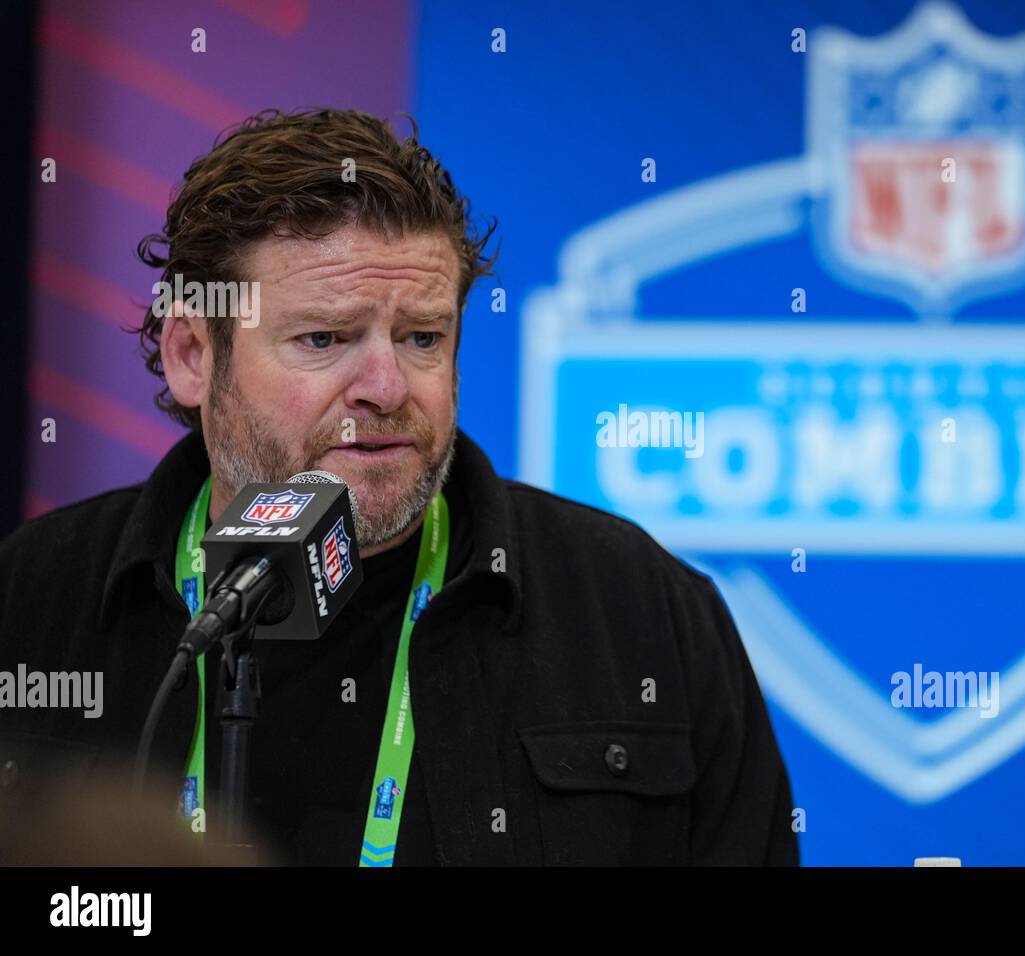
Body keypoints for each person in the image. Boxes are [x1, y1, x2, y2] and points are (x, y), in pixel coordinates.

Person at [0, 108, 799, 866]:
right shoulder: (32, 600)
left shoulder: (642, 613)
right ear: (192, 357)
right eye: (324, 338)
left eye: (423, 337)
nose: (386, 386)